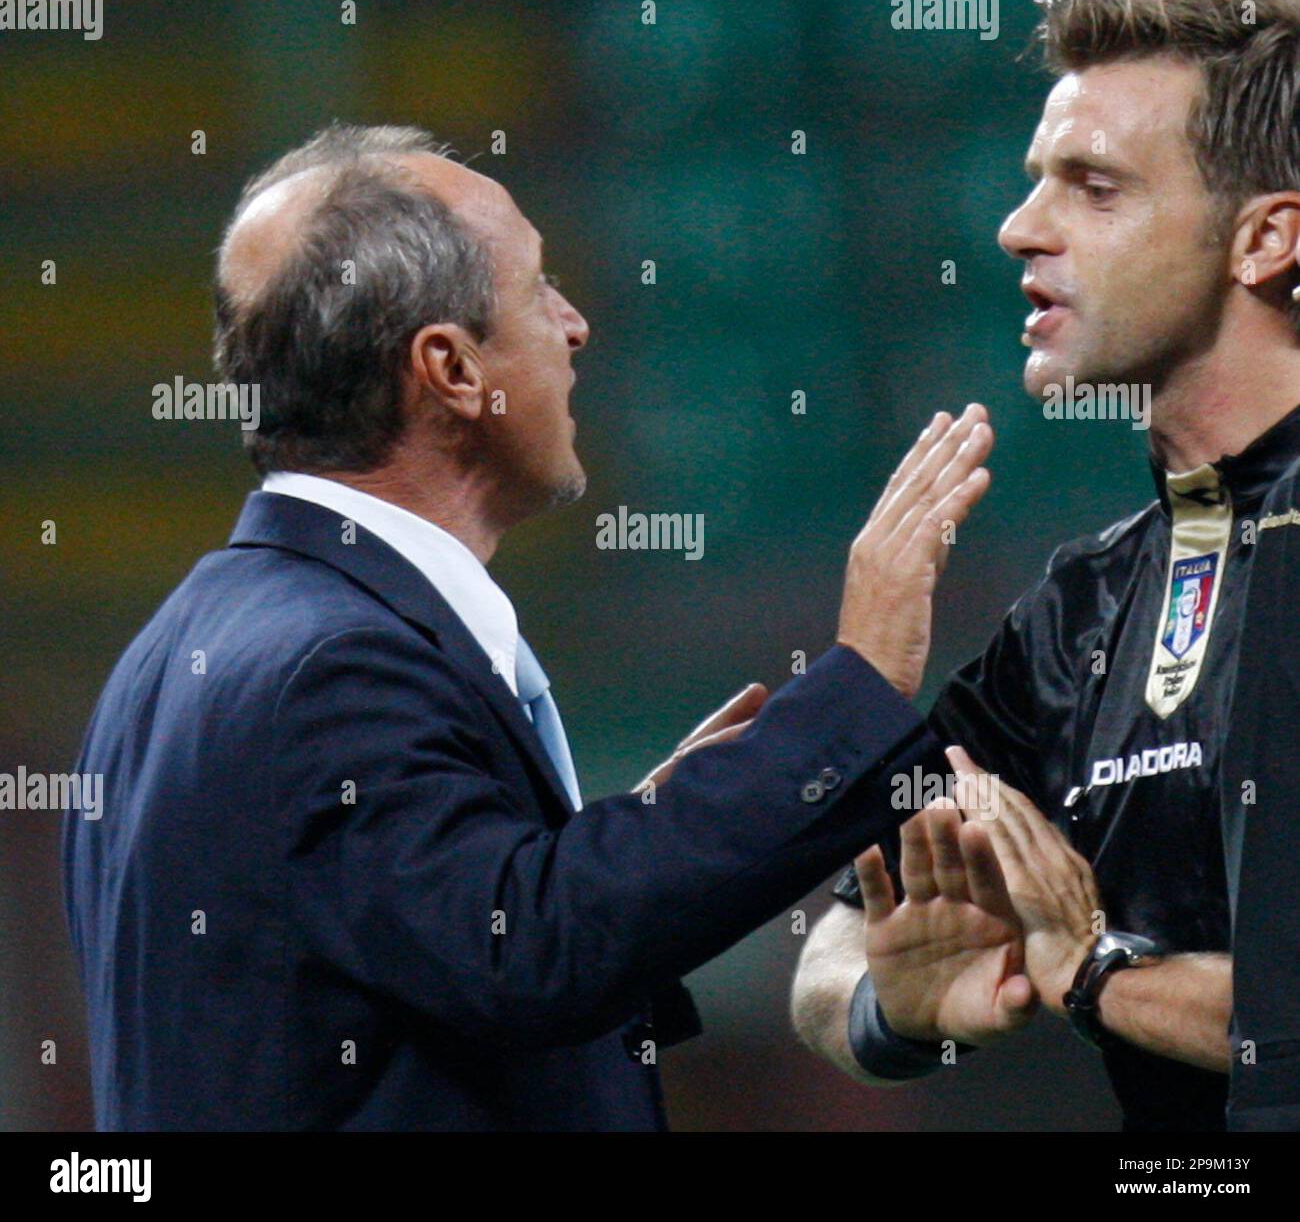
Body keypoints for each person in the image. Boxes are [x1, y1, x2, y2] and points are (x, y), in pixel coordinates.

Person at [62, 122, 993, 1131]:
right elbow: (529, 953)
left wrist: (641, 833)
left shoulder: (189, 650)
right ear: (452, 370)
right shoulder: (332, 667)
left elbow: (443, 963)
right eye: (538, 289)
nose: (576, 324)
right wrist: (853, 686)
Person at [792, 0, 1300, 1132]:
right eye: (1036, 184)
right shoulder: (1080, 609)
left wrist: (1090, 971)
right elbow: (834, 936)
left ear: (1265, 238)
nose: (1021, 227)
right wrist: (897, 1008)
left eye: (1095, 186)